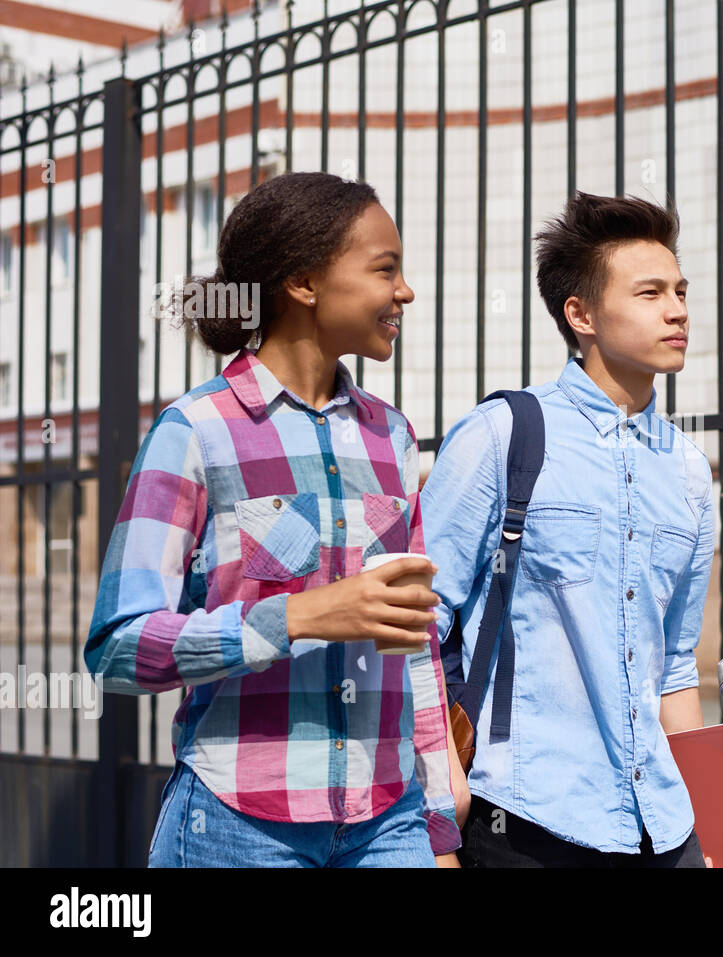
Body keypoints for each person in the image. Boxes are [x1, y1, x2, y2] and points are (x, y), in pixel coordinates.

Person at [85, 171, 469, 867]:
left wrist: (438, 820)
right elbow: (117, 644)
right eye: (386, 270)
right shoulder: (196, 431)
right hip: (239, 827)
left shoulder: (393, 437)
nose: (404, 291)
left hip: (390, 822)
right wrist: (299, 616)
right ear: (303, 283)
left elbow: (412, 643)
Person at [420, 191, 713, 867]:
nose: (677, 310)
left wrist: (707, 825)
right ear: (580, 314)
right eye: (649, 293)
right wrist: (438, 816)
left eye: (680, 290)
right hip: (525, 817)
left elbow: (675, 668)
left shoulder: (690, 472)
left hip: (663, 825)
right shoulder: (503, 436)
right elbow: (416, 629)